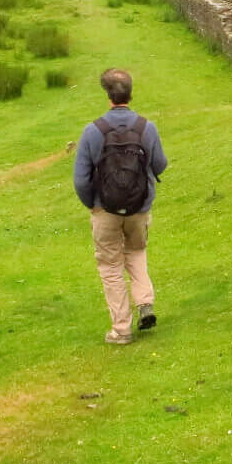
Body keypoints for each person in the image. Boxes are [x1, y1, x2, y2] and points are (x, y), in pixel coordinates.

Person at [73, 68, 167, 345]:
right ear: (130, 93)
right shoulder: (146, 127)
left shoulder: (93, 131)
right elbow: (160, 164)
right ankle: (145, 303)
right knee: (136, 251)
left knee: (111, 265)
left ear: (108, 97)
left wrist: (93, 205)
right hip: (139, 209)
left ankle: (122, 329)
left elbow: (81, 178)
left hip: (105, 210)